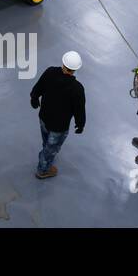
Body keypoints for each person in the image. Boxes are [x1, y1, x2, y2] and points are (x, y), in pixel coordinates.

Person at [30, 51, 87, 180]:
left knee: (46, 139)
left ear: (63, 63)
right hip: (59, 127)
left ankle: (45, 152)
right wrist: (80, 124)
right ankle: (43, 170)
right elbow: (79, 109)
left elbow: (38, 86)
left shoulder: (50, 72)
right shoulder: (77, 88)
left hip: (44, 118)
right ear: (75, 70)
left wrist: (34, 98)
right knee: (52, 147)